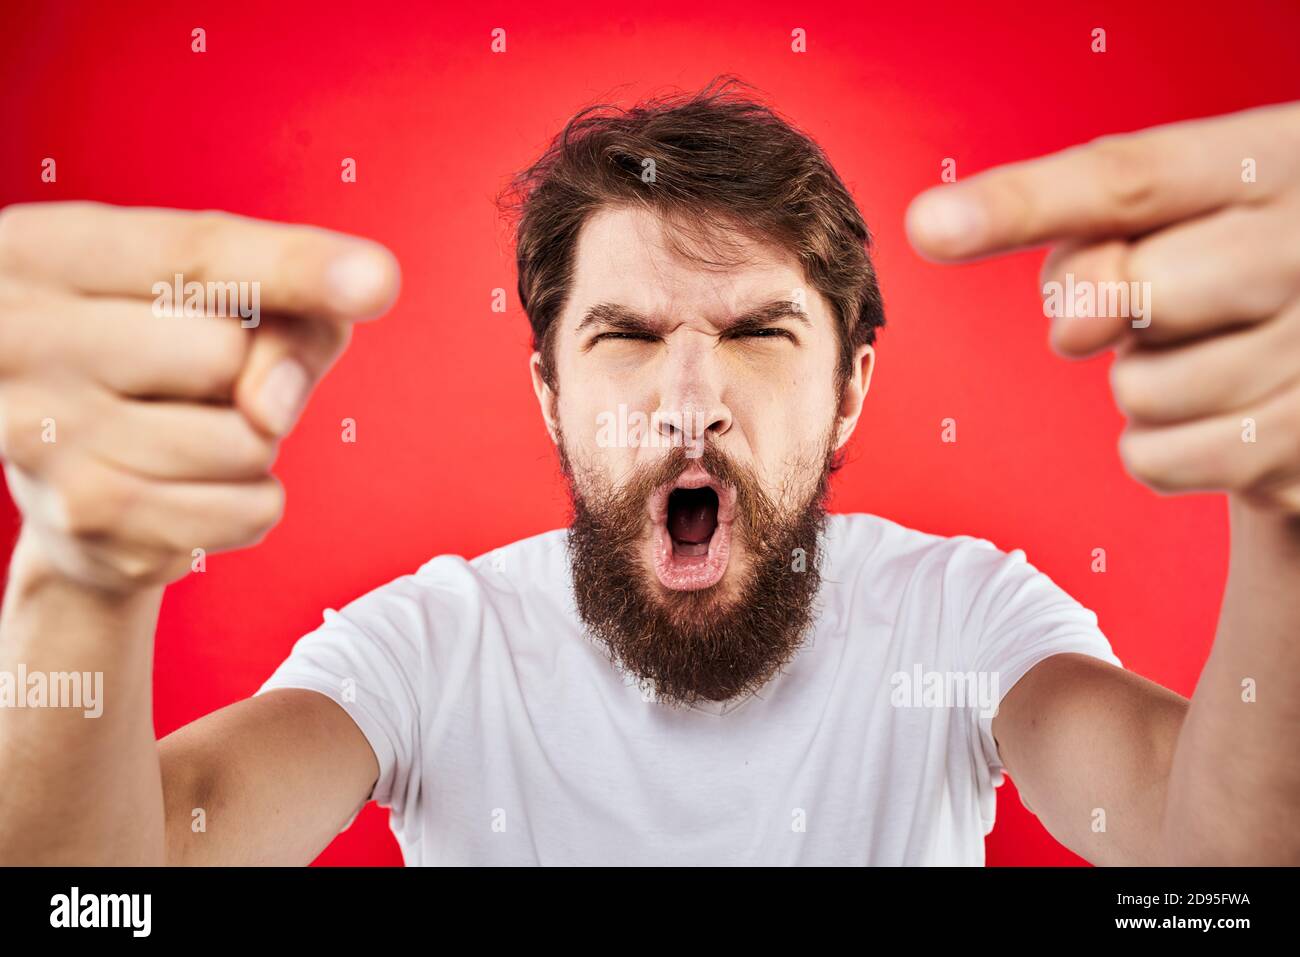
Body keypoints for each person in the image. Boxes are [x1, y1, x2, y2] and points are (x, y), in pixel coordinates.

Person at [1, 79, 1297, 865]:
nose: (691, 406)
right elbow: (116, 884)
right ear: (549, 395)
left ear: (851, 387)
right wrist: (81, 588)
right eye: (624, 339)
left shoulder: (962, 617)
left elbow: (1210, 855)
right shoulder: (432, 649)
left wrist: (1286, 514)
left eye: (755, 333)